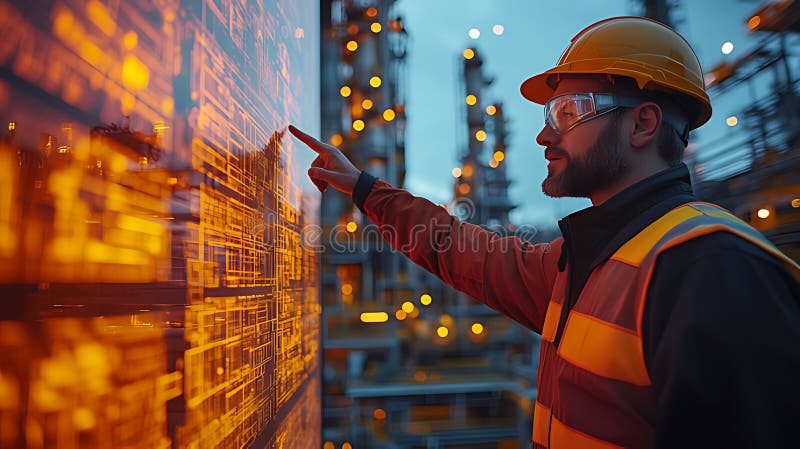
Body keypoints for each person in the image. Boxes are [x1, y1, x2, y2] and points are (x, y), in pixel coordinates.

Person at [290, 16, 800, 449]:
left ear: (644, 124)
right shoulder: (581, 262)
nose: (544, 134)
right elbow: (460, 248)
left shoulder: (712, 270)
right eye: (548, 114)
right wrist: (363, 187)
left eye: (568, 112)